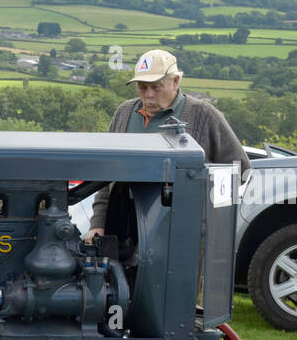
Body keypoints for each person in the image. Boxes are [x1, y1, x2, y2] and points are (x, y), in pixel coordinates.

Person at [86, 49, 250, 242]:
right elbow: (105, 176)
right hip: (124, 224)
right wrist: (97, 224)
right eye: (142, 87)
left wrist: (202, 213)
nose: (148, 95)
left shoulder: (204, 115)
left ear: (175, 81)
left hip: (181, 230)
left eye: (156, 87)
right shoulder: (124, 113)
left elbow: (240, 171)